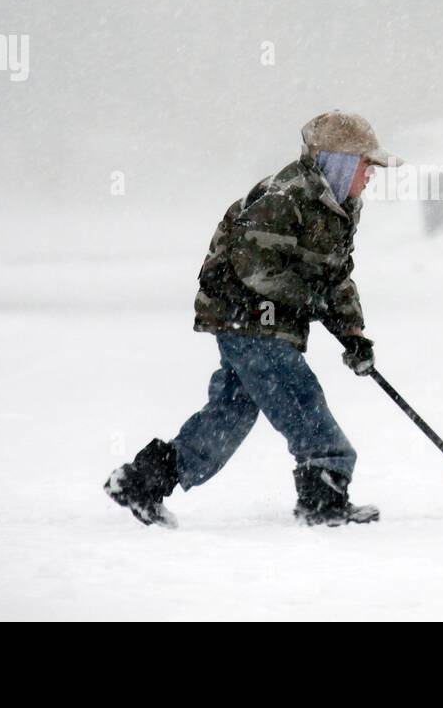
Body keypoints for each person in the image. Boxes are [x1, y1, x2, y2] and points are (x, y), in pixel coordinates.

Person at [104, 111, 400, 527]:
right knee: (299, 397)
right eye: (366, 165)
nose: (370, 175)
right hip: (246, 316)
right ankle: (323, 492)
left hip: (268, 322)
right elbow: (254, 268)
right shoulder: (286, 198)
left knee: (231, 412)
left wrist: (352, 334)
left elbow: (336, 276)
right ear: (340, 162)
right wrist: (310, 302)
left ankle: (144, 481)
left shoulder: (342, 207)